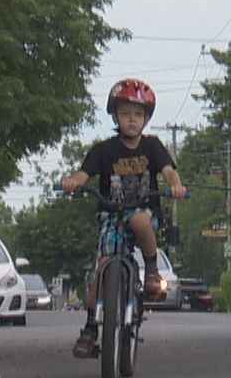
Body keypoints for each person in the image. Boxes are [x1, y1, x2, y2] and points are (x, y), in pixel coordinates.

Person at [60, 78, 189, 359]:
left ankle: (152, 271)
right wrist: (72, 182)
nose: (132, 120)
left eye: (138, 115)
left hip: (144, 212)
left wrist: (176, 185)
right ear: (115, 116)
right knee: (102, 267)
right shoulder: (104, 150)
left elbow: (168, 171)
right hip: (111, 214)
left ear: (146, 119)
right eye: (126, 114)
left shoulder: (153, 146)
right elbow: (84, 175)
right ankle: (92, 327)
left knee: (141, 221)